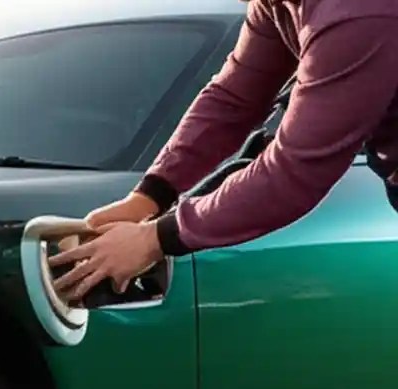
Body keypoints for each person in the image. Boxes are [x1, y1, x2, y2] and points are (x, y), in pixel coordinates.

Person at [50, 0, 398, 302]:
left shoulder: (358, 15)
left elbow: (293, 173)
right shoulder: (277, 5)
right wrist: (149, 196)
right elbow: (233, 99)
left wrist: (154, 238)